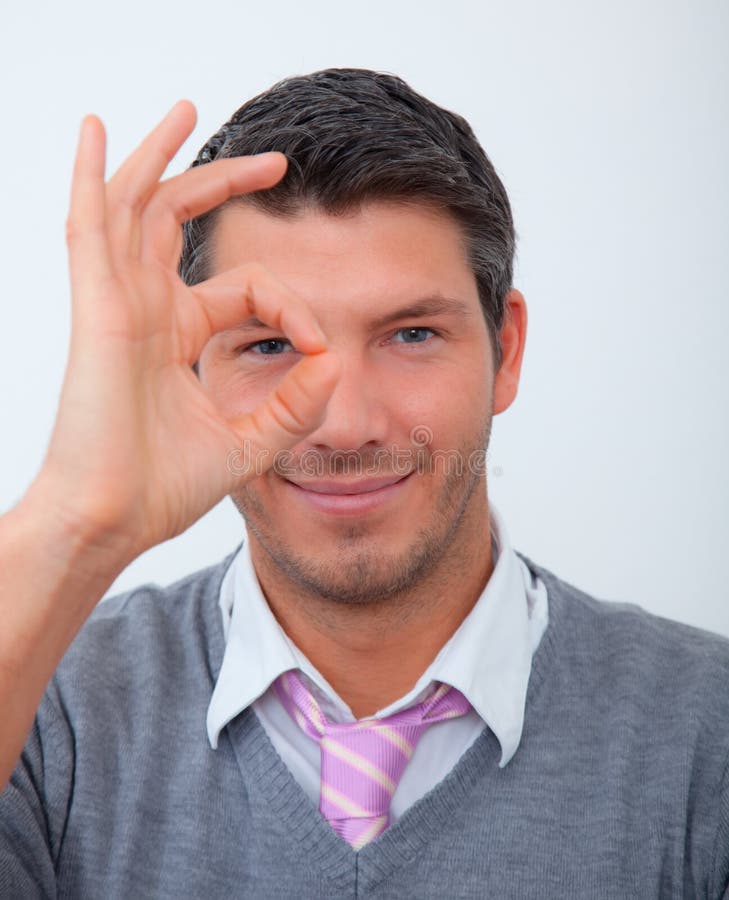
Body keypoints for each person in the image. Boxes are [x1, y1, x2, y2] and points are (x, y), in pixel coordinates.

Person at [0, 68, 727, 899]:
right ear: (191, 367)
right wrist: (69, 520)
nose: (343, 427)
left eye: (411, 333)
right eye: (268, 345)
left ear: (506, 351)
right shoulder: (40, 708)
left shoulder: (705, 734)